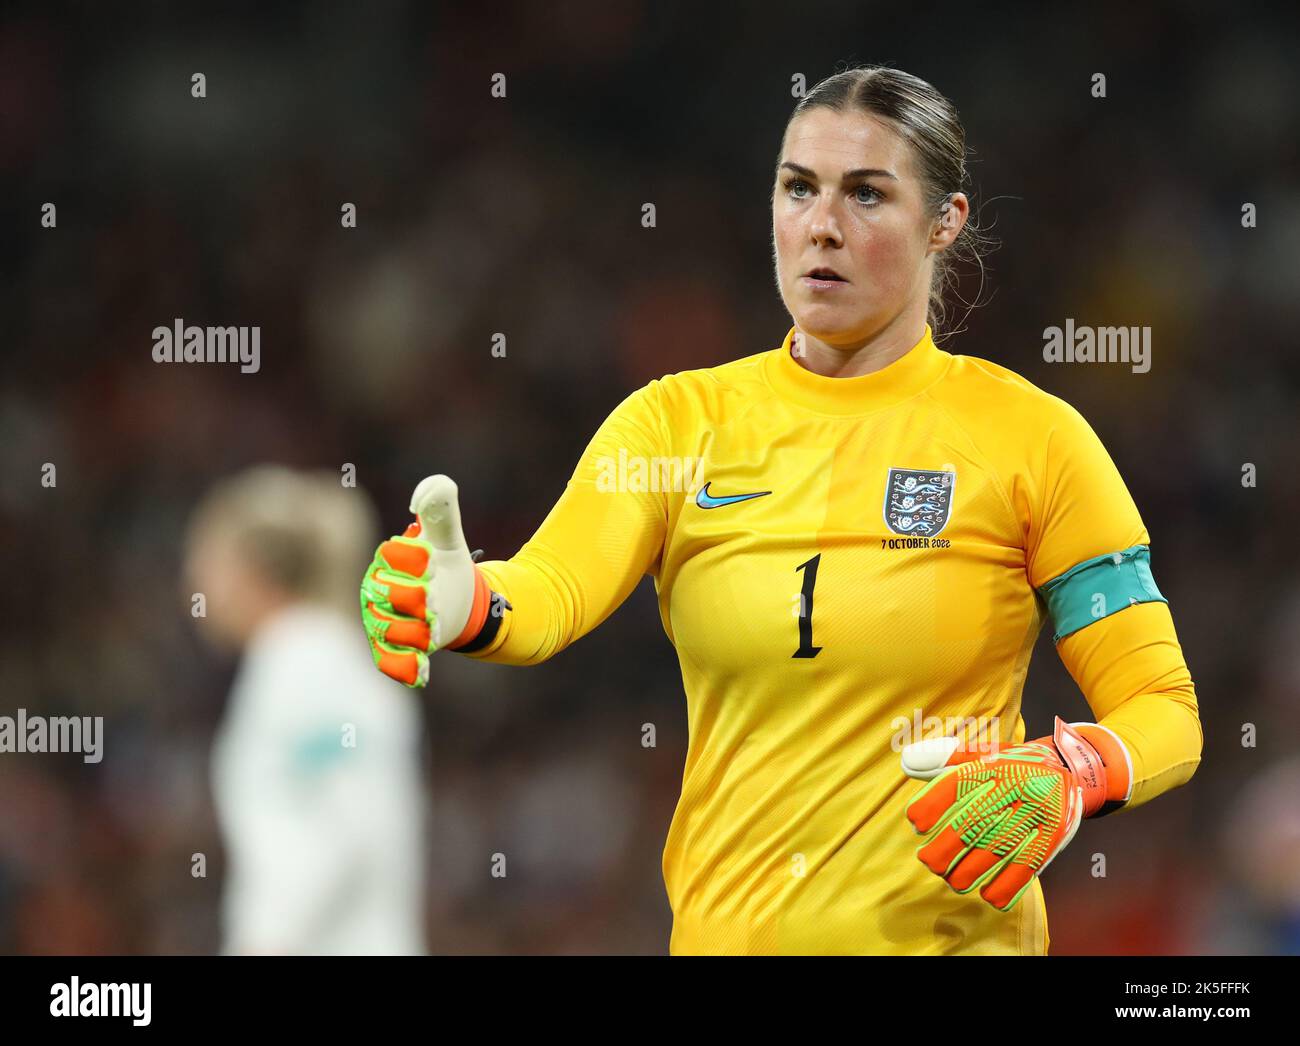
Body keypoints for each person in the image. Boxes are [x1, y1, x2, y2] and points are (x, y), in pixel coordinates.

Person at [360, 66, 1201, 955]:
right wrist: (466, 601)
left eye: (868, 195)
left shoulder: (1035, 440)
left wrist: (1075, 769)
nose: (822, 226)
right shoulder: (675, 424)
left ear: (944, 223)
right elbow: (549, 589)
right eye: (798, 188)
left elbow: (1163, 710)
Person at [187, 465, 427, 954]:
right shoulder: (317, 656)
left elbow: (341, 823)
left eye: (204, 561)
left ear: (249, 568)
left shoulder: (304, 661)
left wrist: (264, 943)